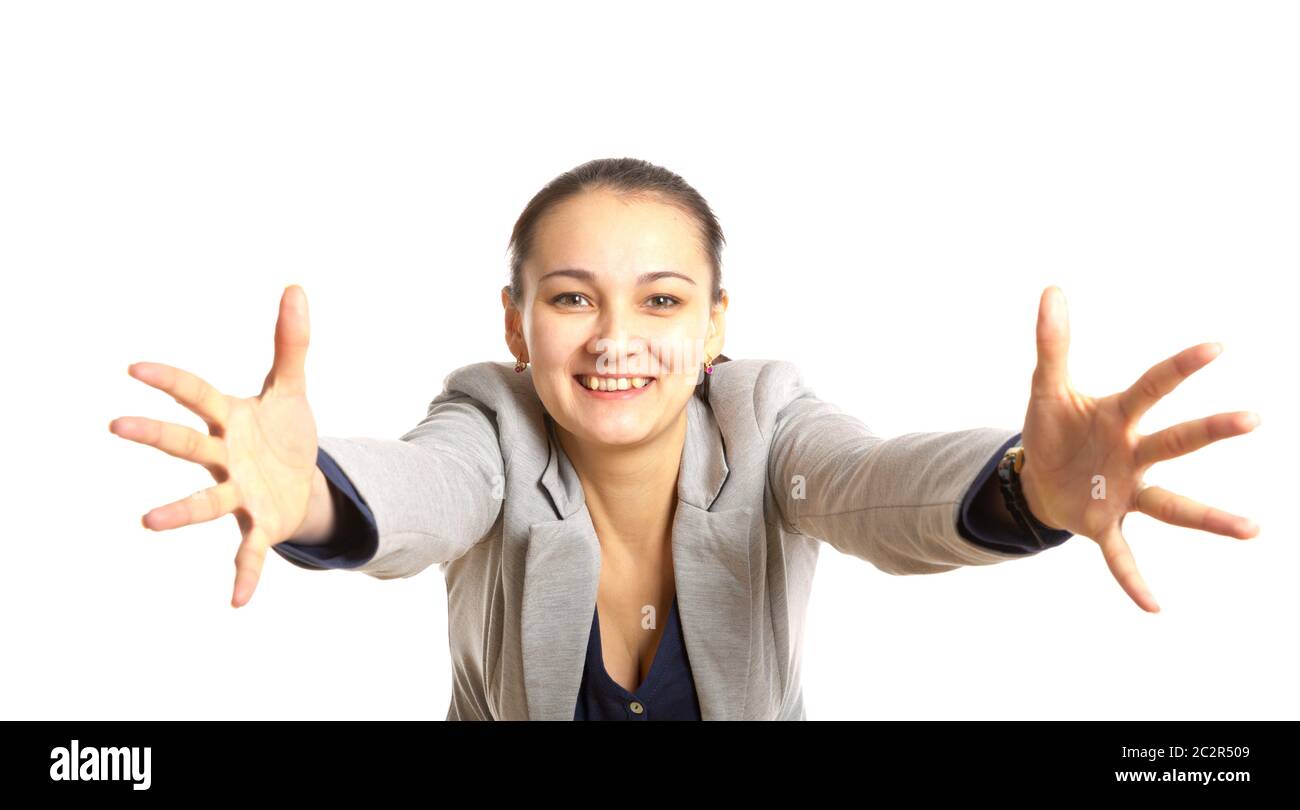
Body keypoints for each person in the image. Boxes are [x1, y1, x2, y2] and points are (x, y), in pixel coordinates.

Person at [109, 157, 1263, 720]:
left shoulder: (766, 418)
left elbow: (868, 486)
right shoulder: (491, 419)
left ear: (715, 324)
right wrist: (307, 491)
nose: (615, 338)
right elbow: (424, 494)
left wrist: (1021, 489)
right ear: (515, 321)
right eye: (570, 298)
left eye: (661, 300)